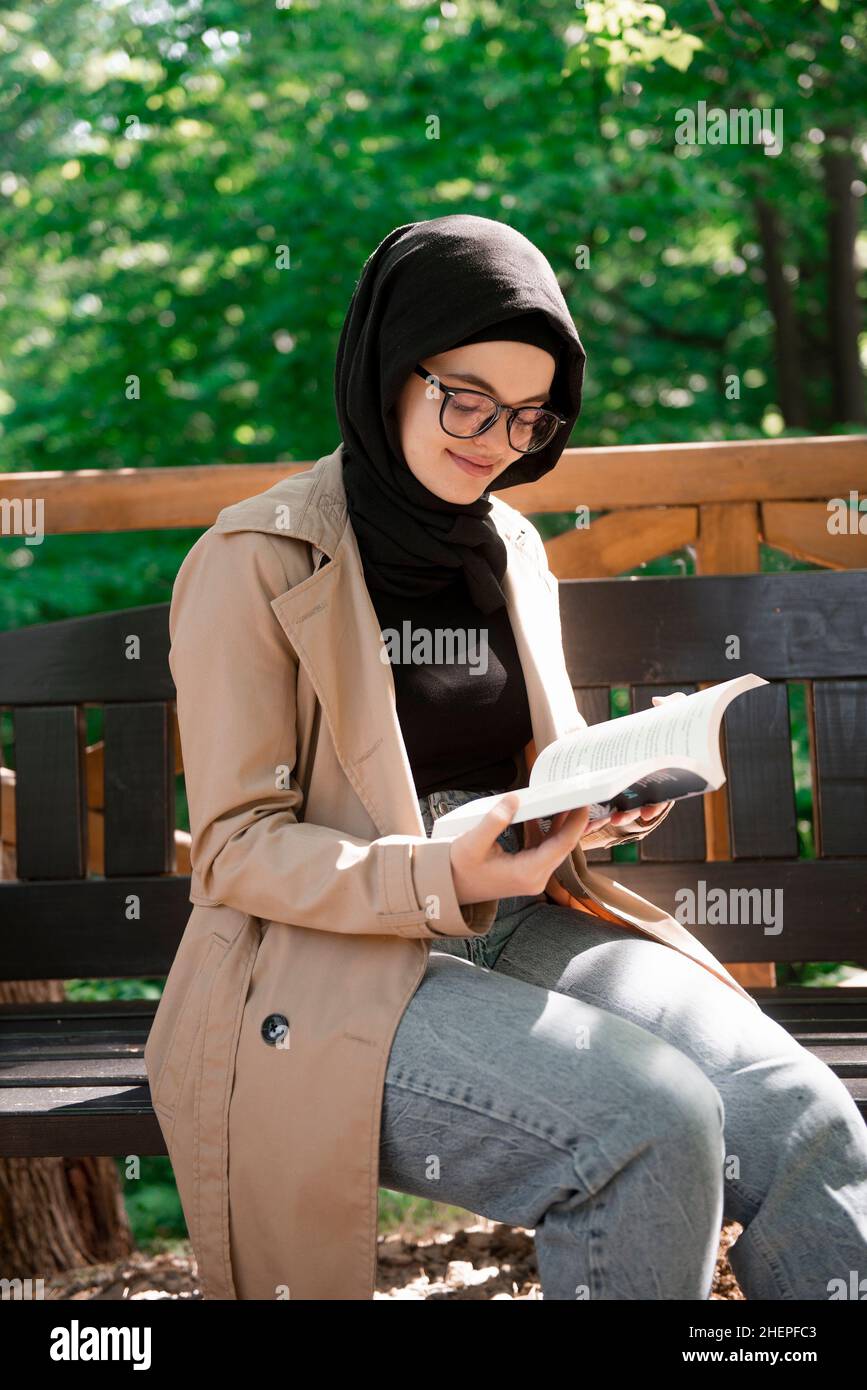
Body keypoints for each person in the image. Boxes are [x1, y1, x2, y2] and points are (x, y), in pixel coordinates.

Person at [148, 214, 867, 1301]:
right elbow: (234, 854)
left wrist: (601, 793)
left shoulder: (507, 541)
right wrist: (439, 871)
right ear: (390, 367)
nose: (493, 438)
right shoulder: (253, 559)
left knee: (804, 1113)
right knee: (653, 1120)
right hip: (324, 961)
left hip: (522, 913)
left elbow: (533, 757)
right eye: (466, 399)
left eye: (528, 417)